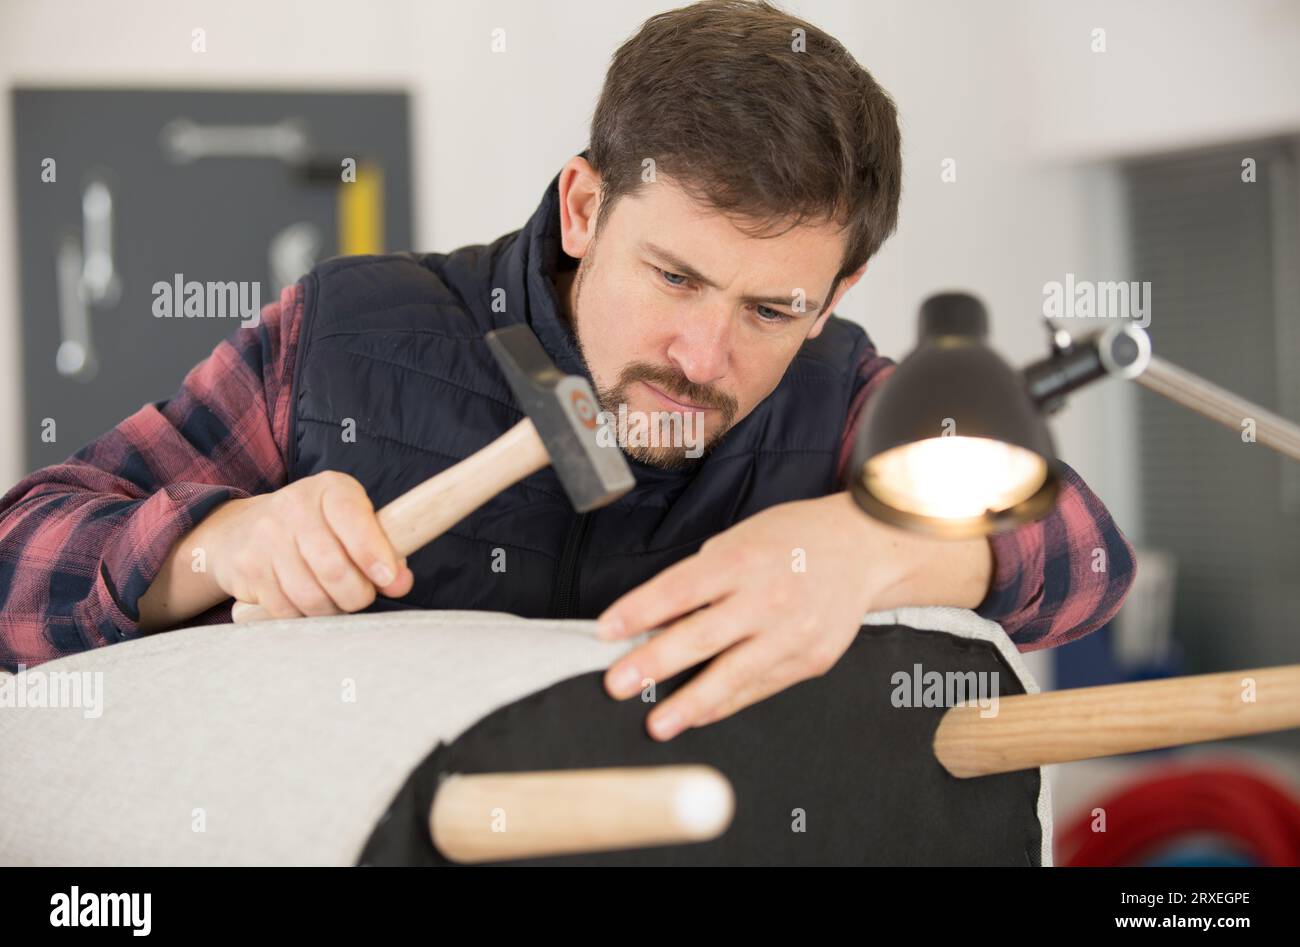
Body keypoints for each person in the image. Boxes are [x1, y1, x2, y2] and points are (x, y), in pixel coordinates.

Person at [0, 0, 1135, 742]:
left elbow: (1086, 556)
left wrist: (870, 548)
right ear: (585, 206)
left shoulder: (840, 397)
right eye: (675, 277)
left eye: (772, 306)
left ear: (835, 294)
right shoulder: (340, 338)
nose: (702, 358)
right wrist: (215, 543)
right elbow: (16, 568)